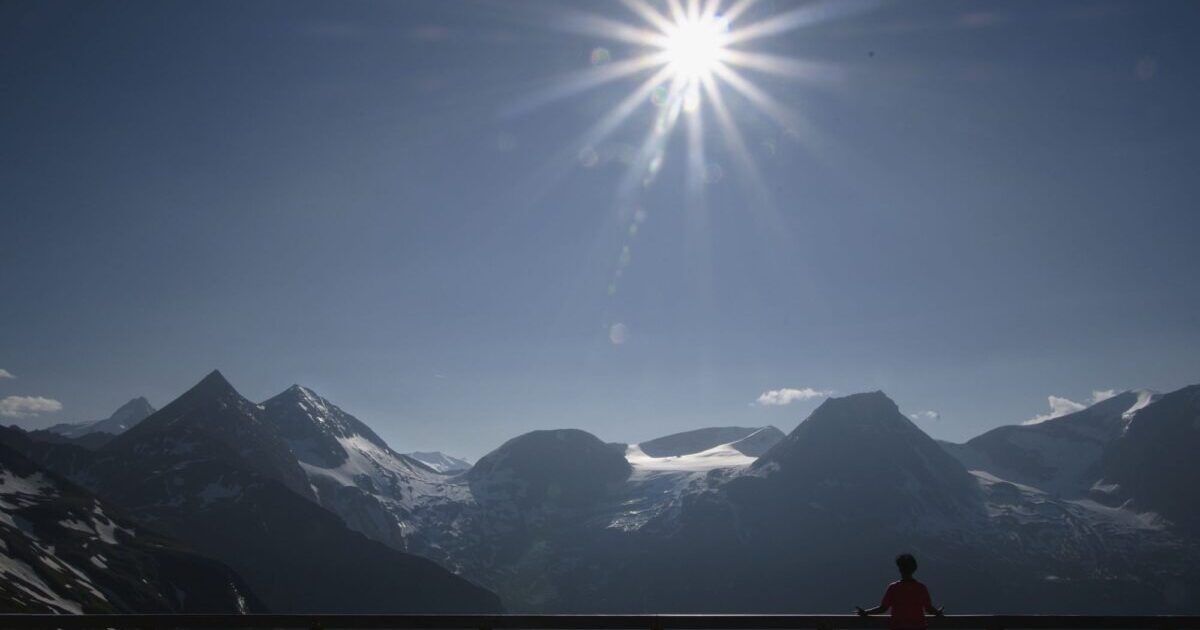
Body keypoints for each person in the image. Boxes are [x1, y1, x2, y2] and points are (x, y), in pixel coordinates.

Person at [855, 553, 945, 629]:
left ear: (900, 569)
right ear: (914, 569)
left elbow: (883, 608)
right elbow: (929, 608)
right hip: (918, 626)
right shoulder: (921, 588)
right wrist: (938, 612)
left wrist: (866, 612)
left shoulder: (894, 587)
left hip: (898, 626)